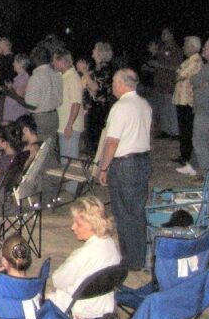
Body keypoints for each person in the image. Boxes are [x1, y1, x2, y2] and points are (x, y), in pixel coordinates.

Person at [97, 69, 152, 271]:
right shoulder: (144, 104)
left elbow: (112, 142)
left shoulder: (121, 107)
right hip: (142, 161)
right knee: (137, 211)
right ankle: (138, 255)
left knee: (124, 213)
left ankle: (131, 259)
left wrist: (104, 167)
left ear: (122, 83)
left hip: (125, 164)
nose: (112, 84)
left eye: (113, 81)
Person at [49, 196, 122, 317]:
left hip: (82, 309)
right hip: (105, 306)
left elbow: (58, 280)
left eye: (78, 224)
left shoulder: (84, 254)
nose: (73, 227)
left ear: (93, 224)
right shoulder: (111, 244)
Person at [180, 37, 209, 177]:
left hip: (206, 110)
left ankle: (208, 173)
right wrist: (201, 84)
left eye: (206, 48)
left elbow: (195, 79)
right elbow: (199, 81)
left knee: (199, 142)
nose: (203, 50)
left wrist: (200, 83)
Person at [173, 36, 204, 165]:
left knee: (187, 130)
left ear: (192, 47)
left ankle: (187, 157)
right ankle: (184, 155)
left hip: (188, 100)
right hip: (182, 99)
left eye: (185, 45)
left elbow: (178, 76)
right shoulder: (189, 60)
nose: (183, 47)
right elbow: (178, 75)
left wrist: (179, 74)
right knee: (184, 129)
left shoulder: (195, 61)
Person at [24, 44, 62, 142]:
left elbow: (31, 105)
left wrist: (13, 95)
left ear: (36, 59)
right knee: (50, 148)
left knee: (39, 150)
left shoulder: (36, 77)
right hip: (54, 116)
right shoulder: (56, 74)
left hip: (40, 119)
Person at [83, 42, 115, 153]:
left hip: (100, 108)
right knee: (91, 138)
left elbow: (95, 88)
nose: (92, 51)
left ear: (101, 53)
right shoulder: (96, 68)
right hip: (93, 106)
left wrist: (85, 72)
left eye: (95, 49)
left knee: (96, 138)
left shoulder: (105, 69)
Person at [55, 49, 85, 159]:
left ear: (61, 61)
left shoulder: (73, 78)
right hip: (63, 126)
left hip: (69, 128)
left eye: (55, 61)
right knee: (64, 159)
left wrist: (69, 125)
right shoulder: (63, 76)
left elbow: (76, 103)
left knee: (69, 162)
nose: (53, 64)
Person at [153, 28, 182, 138]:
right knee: (163, 107)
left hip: (170, 83)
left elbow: (177, 67)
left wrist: (159, 65)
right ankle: (165, 130)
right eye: (162, 33)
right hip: (161, 83)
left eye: (165, 33)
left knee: (171, 108)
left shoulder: (176, 49)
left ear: (171, 35)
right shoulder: (161, 49)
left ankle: (174, 132)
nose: (162, 35)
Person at [0, 54, 32, 124]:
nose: (13, 64)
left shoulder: (24, 78)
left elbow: (20, 94)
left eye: (15, 62)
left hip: (17, 115)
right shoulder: (19, 78)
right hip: (13, 115)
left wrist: (10, 88)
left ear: (21, 64)